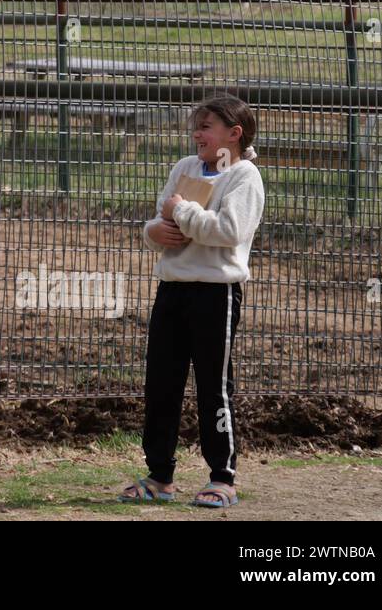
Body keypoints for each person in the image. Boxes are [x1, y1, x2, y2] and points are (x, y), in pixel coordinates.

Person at [120, 95, 265, 509]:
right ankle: (159, 475)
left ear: (234, 134)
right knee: (161, 382)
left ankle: (222, 476)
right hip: (173, 290)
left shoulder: (244, 176)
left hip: (215, 293)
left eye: (206, 126)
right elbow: (159, 220)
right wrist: (155, 232)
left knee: (212, 386)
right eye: (195, 126)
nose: (196, 133)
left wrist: (181, 213)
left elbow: (227, 231)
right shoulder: (184, 168)